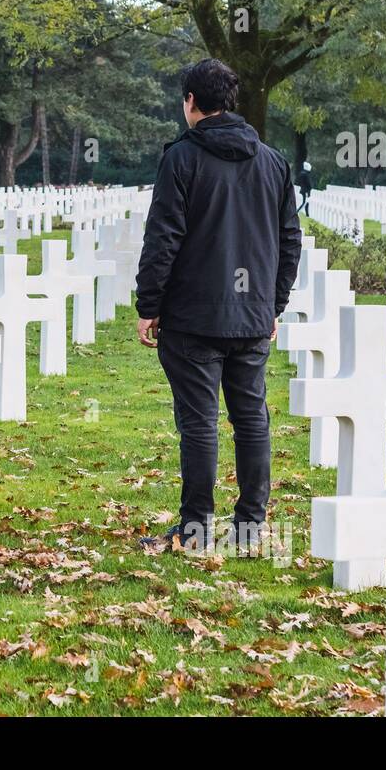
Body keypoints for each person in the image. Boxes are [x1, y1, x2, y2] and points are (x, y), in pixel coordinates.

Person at [134, 58, 302, 553]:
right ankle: (250, 527)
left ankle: (196, 529)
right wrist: (272, 303)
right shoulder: (272, 162)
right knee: (251, 417)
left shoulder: (180, 159)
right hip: (250, 316)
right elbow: (290, 240)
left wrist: (149, 304)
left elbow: (163, 238)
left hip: (193, 316)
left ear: (190, 101)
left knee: (199, 422)